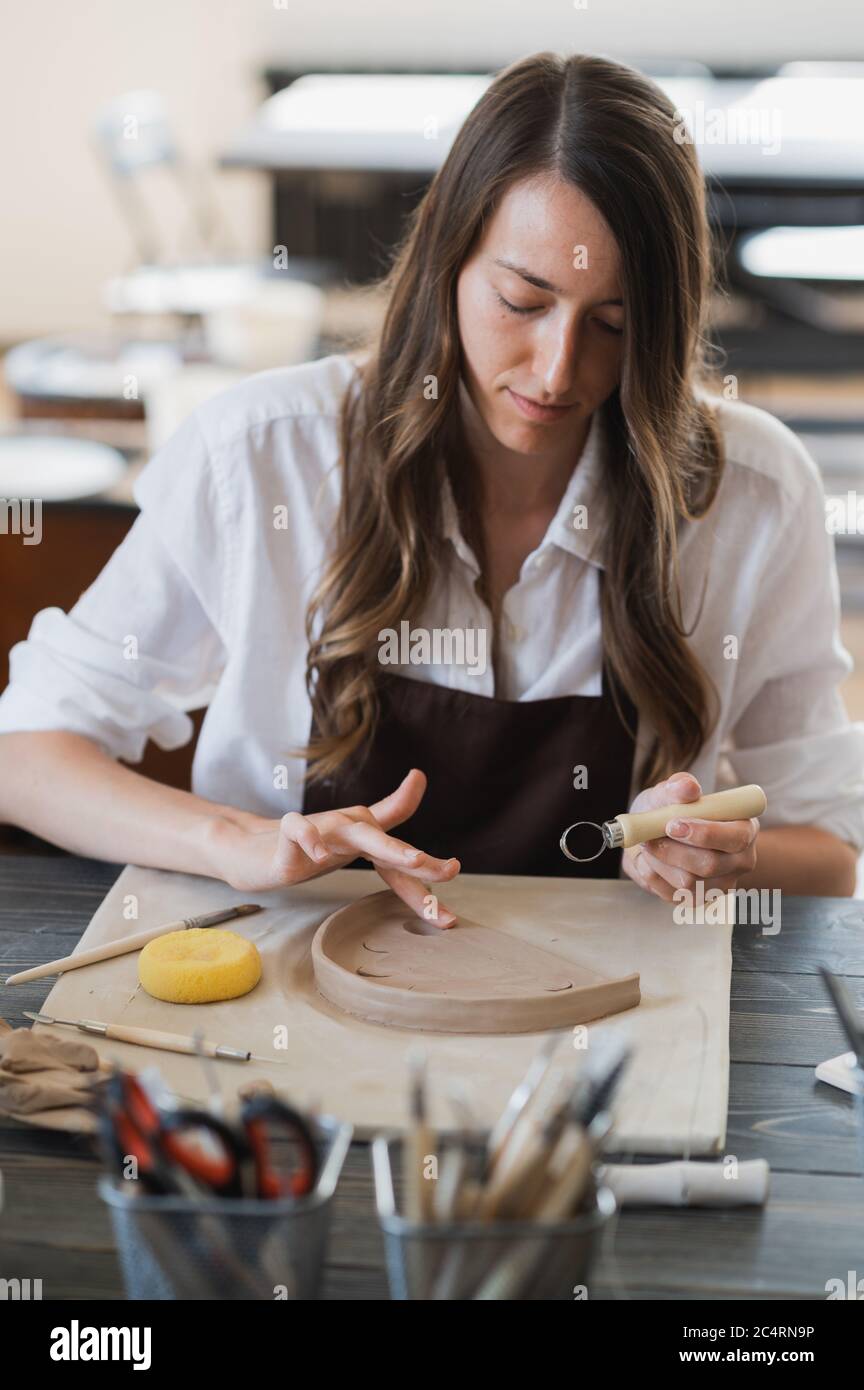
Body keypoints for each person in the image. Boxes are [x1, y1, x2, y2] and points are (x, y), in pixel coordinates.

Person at [1, 52, 861, 927]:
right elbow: (24, 754)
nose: (559, 370)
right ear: (447, 261)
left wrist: (719, 861)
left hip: (611, 1017)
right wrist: (234, 840)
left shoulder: (753, 493)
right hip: (287, 1016)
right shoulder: (262, 458)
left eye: (615, 324)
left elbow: (831, 856)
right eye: (523, 301)